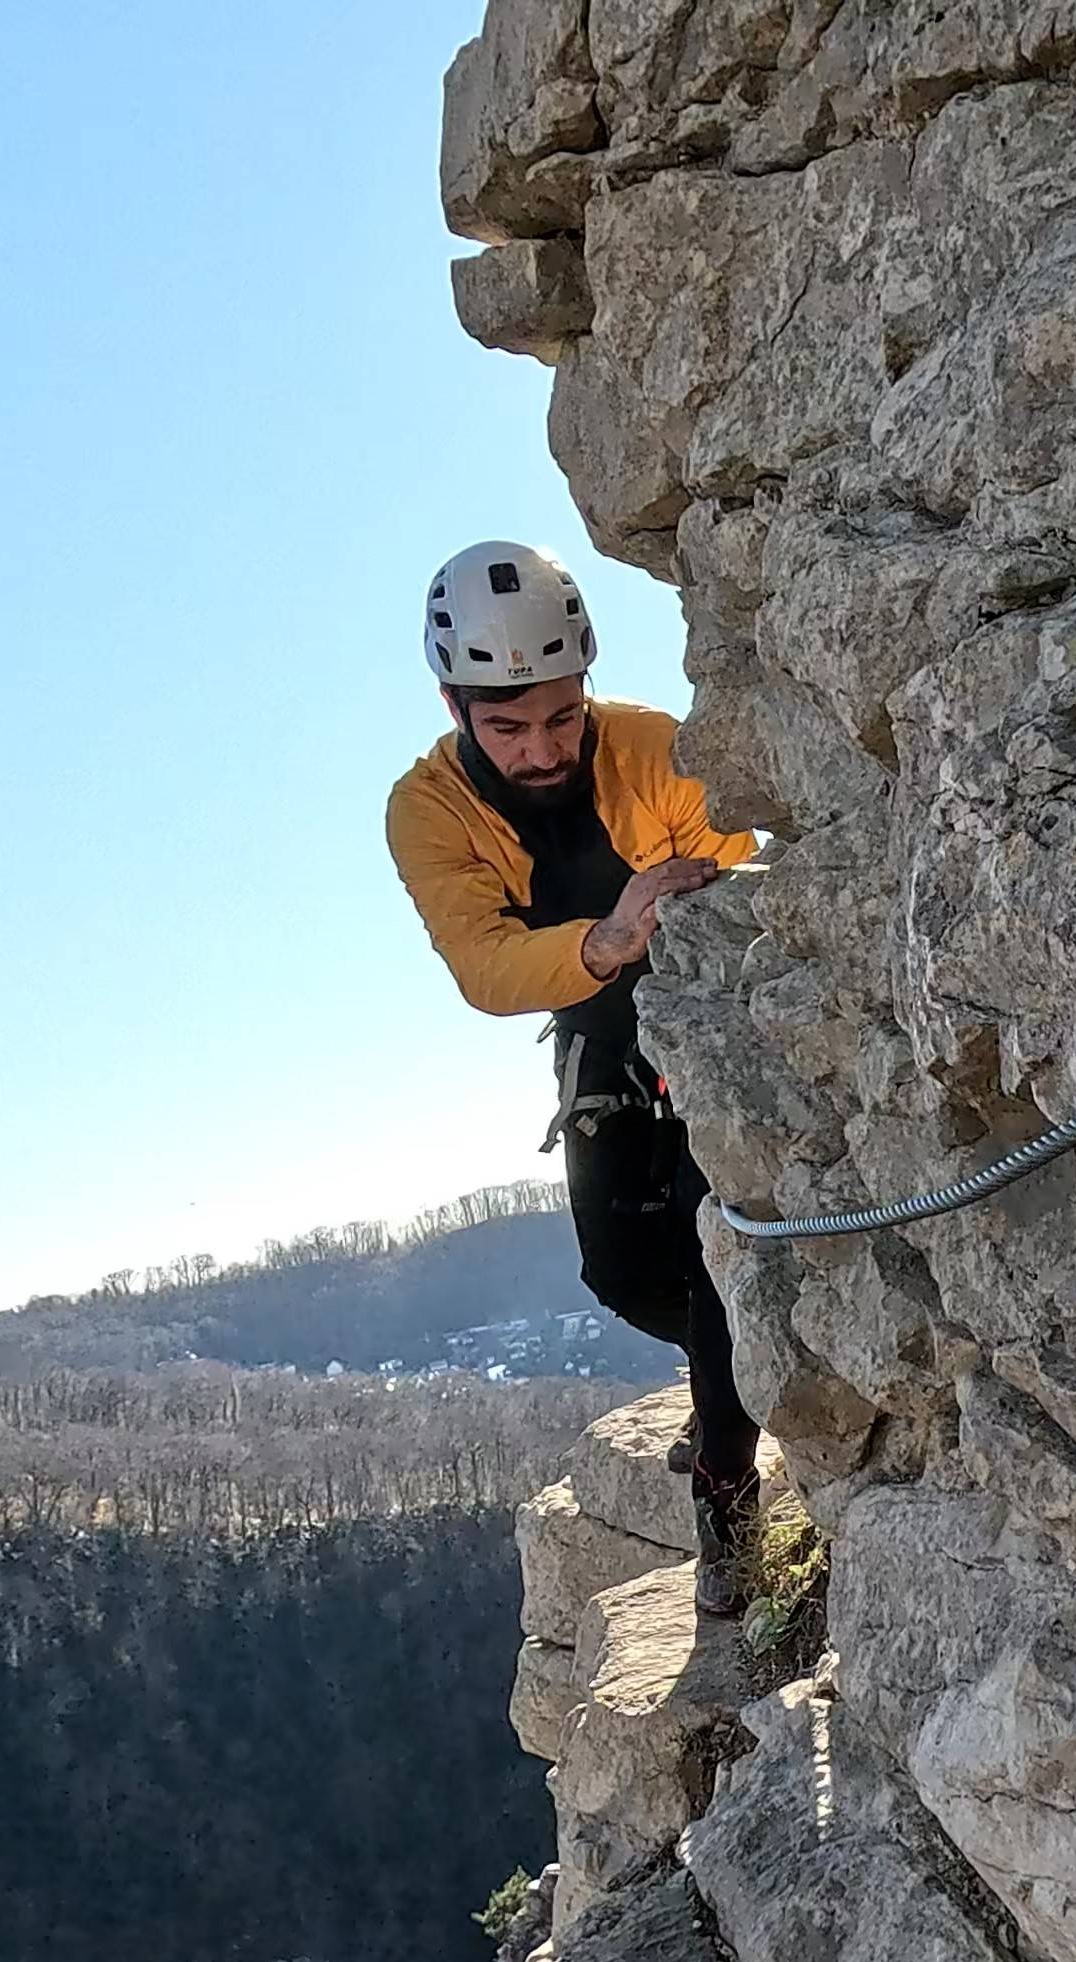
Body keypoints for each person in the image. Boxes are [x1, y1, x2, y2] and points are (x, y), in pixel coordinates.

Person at [386, 540, 765, 1616]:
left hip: (710, 1025)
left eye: (561, 715)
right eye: (507, 726)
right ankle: (729, 1371)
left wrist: (697, 893)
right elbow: (484, 965)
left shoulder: (653, 748)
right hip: (599, 1038)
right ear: (456, 706)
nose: (542, 747)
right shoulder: (427, 811)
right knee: (623, 1274)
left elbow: (734, 861)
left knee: (714, 1241)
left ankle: (728, 1489)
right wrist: (607, 940)